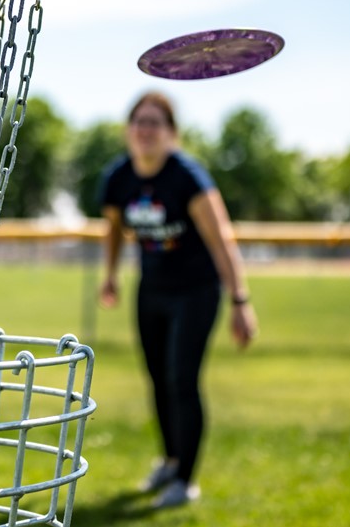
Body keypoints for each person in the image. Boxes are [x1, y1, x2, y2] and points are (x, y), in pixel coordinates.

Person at [98, 91, 258, 509]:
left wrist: (241, 301)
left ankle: (185, 480)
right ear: (128, 130)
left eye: (156, 122)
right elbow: (114, 227)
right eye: (139, 121)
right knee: (157, 379)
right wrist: (111, 275)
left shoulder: (187, 177)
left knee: (182, 380)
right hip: (151, 289)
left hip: (197, 290)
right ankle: (170, 461)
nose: (145, 130)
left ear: (172, 133)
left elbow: (222, 240)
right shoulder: (119, 178)